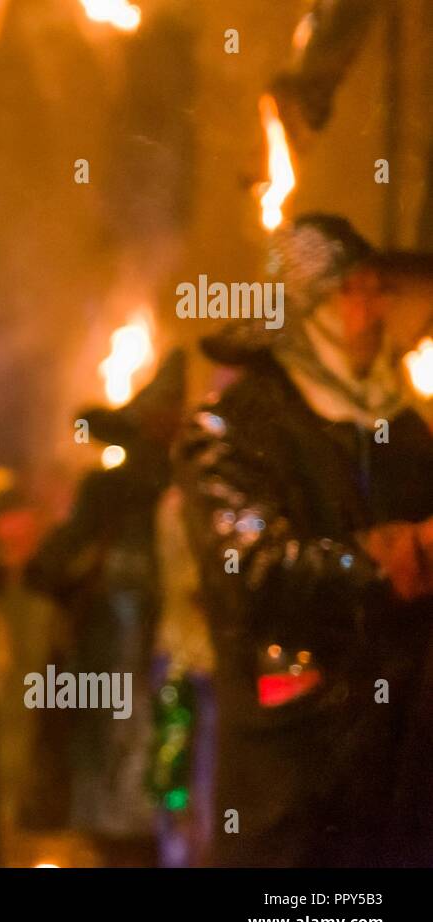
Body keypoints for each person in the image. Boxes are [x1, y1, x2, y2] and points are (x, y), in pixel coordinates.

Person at [172, 213, 433, 866]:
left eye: (380, 290)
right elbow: (254, 569)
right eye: (356, 291)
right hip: (290, 771)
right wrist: (392, 562)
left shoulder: (400, 428)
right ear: (305, 309)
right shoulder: (231, 427)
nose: (375, 311)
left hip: (399, 769)